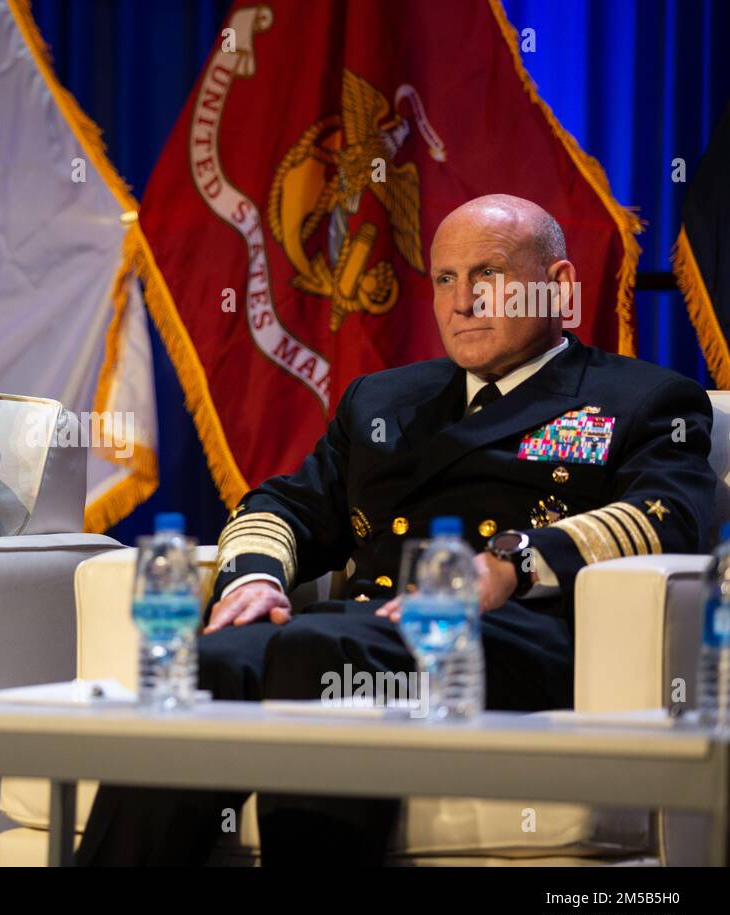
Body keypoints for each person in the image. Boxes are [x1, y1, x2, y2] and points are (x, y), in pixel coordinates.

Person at [78, 194, 716, 866]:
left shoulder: (640, 398)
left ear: (557, 286)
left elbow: (665, 517)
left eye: (488, 275)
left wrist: (507, 563)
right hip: (367, 628)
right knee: (203, 661)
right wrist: (254, 578)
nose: (462, 301)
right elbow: (286, 504)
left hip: (511, 638)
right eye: (445, 279)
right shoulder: (385, 400)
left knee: (317, 647)